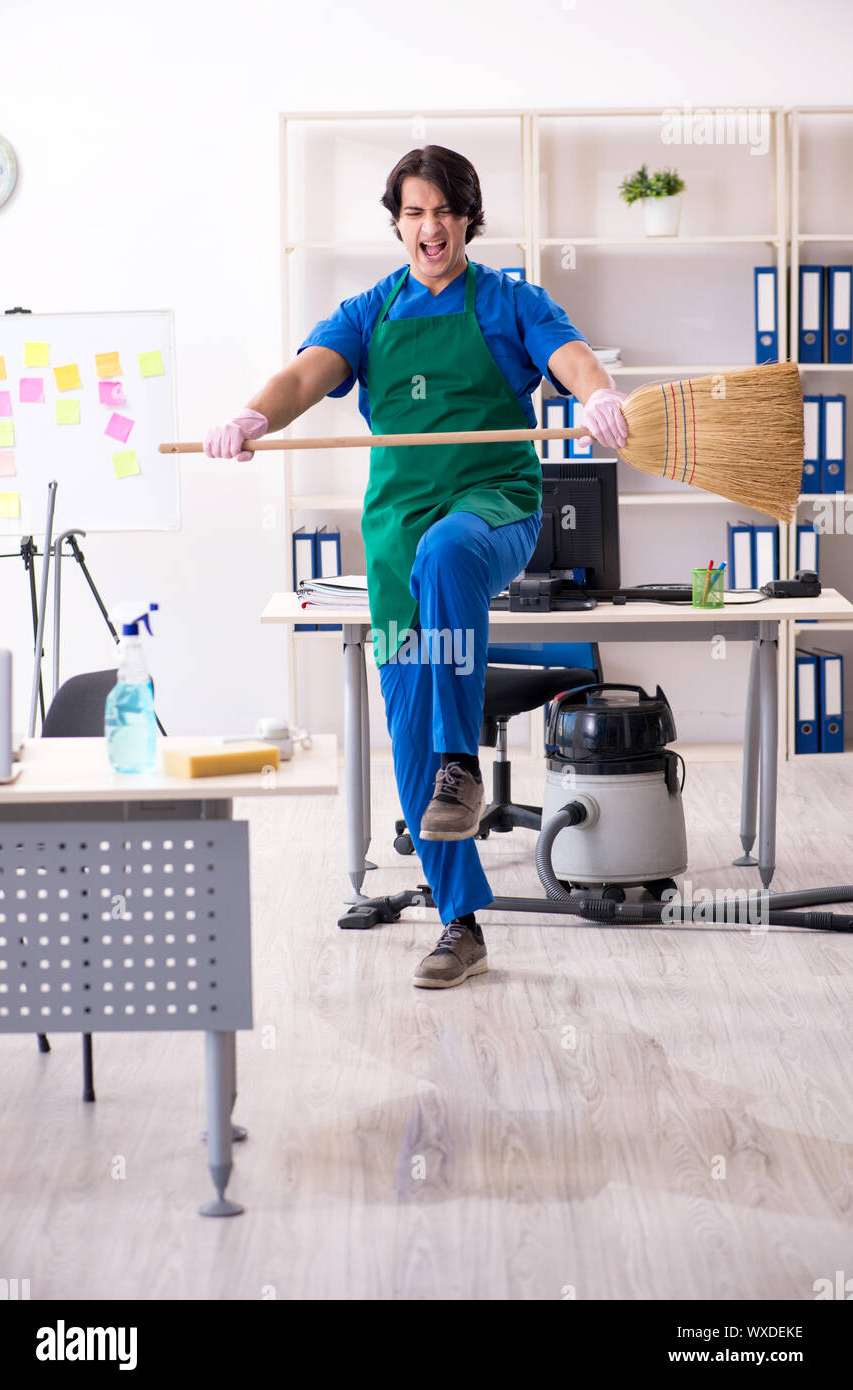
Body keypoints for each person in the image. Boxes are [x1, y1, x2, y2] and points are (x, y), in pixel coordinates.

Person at [205, 145, 627, 989]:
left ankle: (460, 766)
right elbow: (302, 376)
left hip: (493, 510)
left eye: (443, 211)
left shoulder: (509, 300)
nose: (428, 228)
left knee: (446, 552)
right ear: (395, 222)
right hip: (395, 537)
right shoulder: (369, 311)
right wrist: (254, 416)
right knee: (405, 724)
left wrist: (595, 393)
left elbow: (570, 353)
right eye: (412, 213)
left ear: (468, 216)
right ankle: (458, 924)